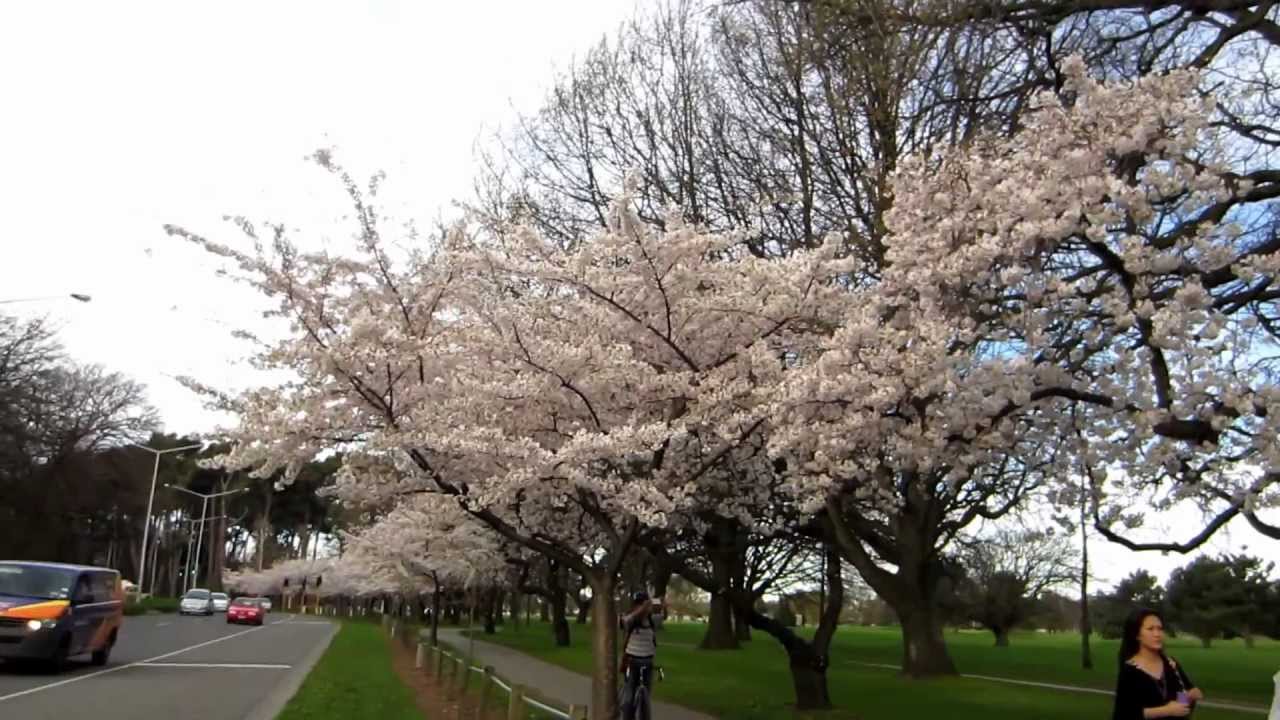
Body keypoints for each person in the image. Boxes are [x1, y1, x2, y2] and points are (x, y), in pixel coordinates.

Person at [1112, 608, 1205, 719]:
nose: (1157, 634)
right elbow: (1124, 713)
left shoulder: (1171, 664)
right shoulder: (1130, 671)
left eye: (1160, 629)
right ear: (1137, 635)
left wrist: (1189, 697)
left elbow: (1182, 698)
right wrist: (1166, 711)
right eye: (1150, 629)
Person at [619, 590, 661, 720]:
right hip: (632, 660)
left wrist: (663, 605)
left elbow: (662, 616)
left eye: (643, 604)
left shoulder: (652, 620)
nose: (642, 607)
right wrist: (642, 609)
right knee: (630, 694)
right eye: (639, 604)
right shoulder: (630, 619)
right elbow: (624, 622)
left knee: (646, 694)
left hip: (648, 661)